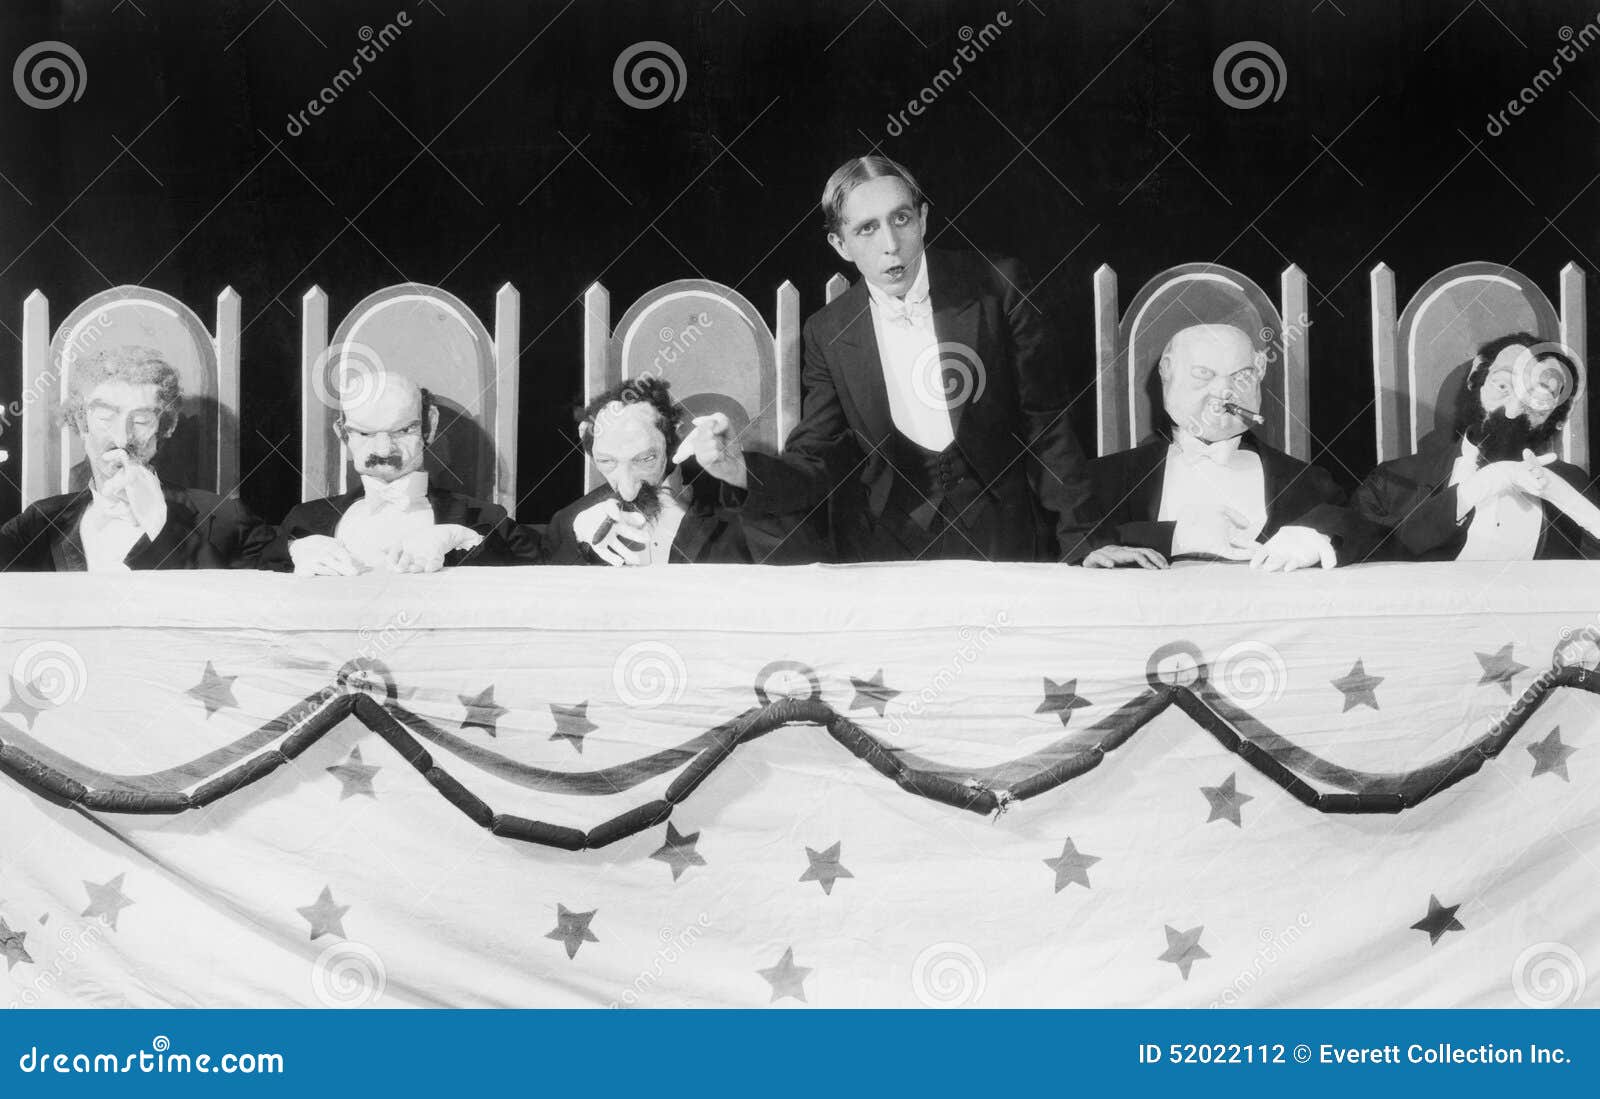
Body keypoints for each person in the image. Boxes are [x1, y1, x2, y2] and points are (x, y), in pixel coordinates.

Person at [678, 154, 1100, 563]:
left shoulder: (997, 286)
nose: (891, 245)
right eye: (866, 229)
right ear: (840, 245)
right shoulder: (827, 331)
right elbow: (815, 459)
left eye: (901, 219)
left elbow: (1047, 424)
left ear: (923, 219)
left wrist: (1087, 541)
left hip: (1004, 543)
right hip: (884, 551)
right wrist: (738, 470)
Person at [1083, 324, 1356, 571]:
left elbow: (1368, 535)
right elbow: (1073, 546)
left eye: (1241, 376)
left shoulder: (1309, 482)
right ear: (1166, 371)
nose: (1225, 391)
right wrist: (1175, 536)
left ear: (1259, 373)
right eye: (1203, 374)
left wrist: (1324, 536)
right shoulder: (1102, 481)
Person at [0, 345, 273, 572]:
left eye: (141, 420)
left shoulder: (224, 517)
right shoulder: (37, 524)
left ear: (164, 427)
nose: (121, 438)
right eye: (106, 417)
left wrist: (160, 526)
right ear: (82, 424)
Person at [260, 369, 539, 573]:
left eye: (403, 430)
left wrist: (464, 539)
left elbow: (540, 582)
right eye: (366, 433)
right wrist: (294, 550)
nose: (383, 450)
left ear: (429, 426)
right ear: (343, 434)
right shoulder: (303, 521)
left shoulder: (486, 519)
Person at [1352, 333, 1599, 561]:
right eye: (1503, 386)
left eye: (1539, 399)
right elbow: (1360, 552)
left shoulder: (1573, 484)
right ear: (1476, 376)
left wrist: (1573, 503)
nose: (1512, 411)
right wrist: (1474, 490)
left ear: (1557, 416)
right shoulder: (1392, 482)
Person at [546, 377, 754, 565]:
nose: (628, 490)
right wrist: (579, 545)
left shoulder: (735, 503)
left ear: (674, 437)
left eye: (645, 459)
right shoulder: (569, 522)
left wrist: (740, 471)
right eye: (607, 461)